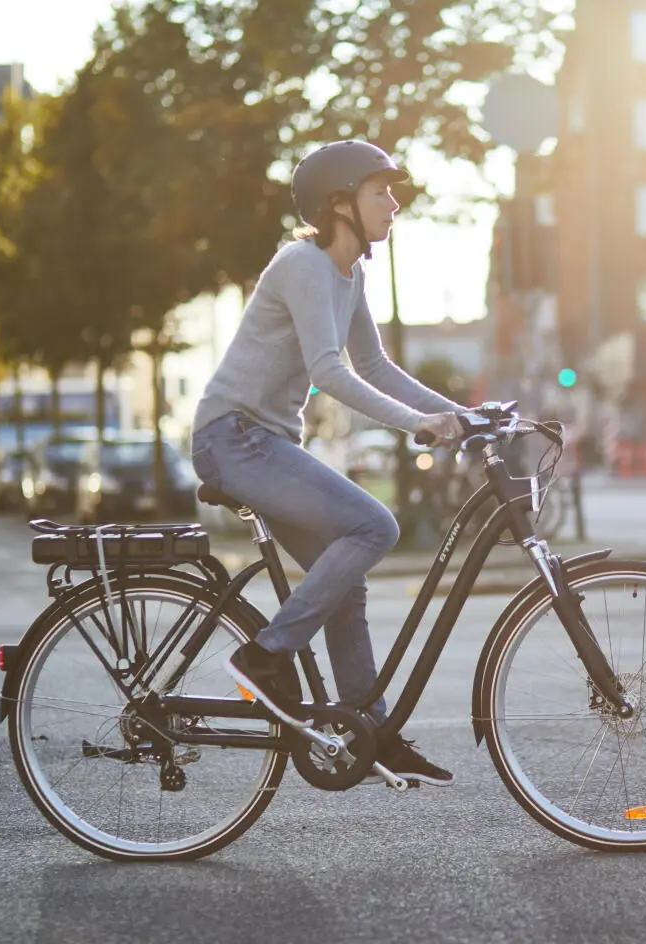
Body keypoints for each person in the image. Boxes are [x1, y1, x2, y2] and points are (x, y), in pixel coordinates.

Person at [189, 140, 466, 786]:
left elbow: (374, 366)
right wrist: (416, 423)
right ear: (340, 204)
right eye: (381, 193)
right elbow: (328, 371)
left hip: (266, 442)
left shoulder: (349, 274)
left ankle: (373, 730)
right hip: (233, 437)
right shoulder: (301, 264)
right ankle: (265, 656)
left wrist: (463, 414)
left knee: (347, 580)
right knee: (376, 527)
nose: (394, 205)